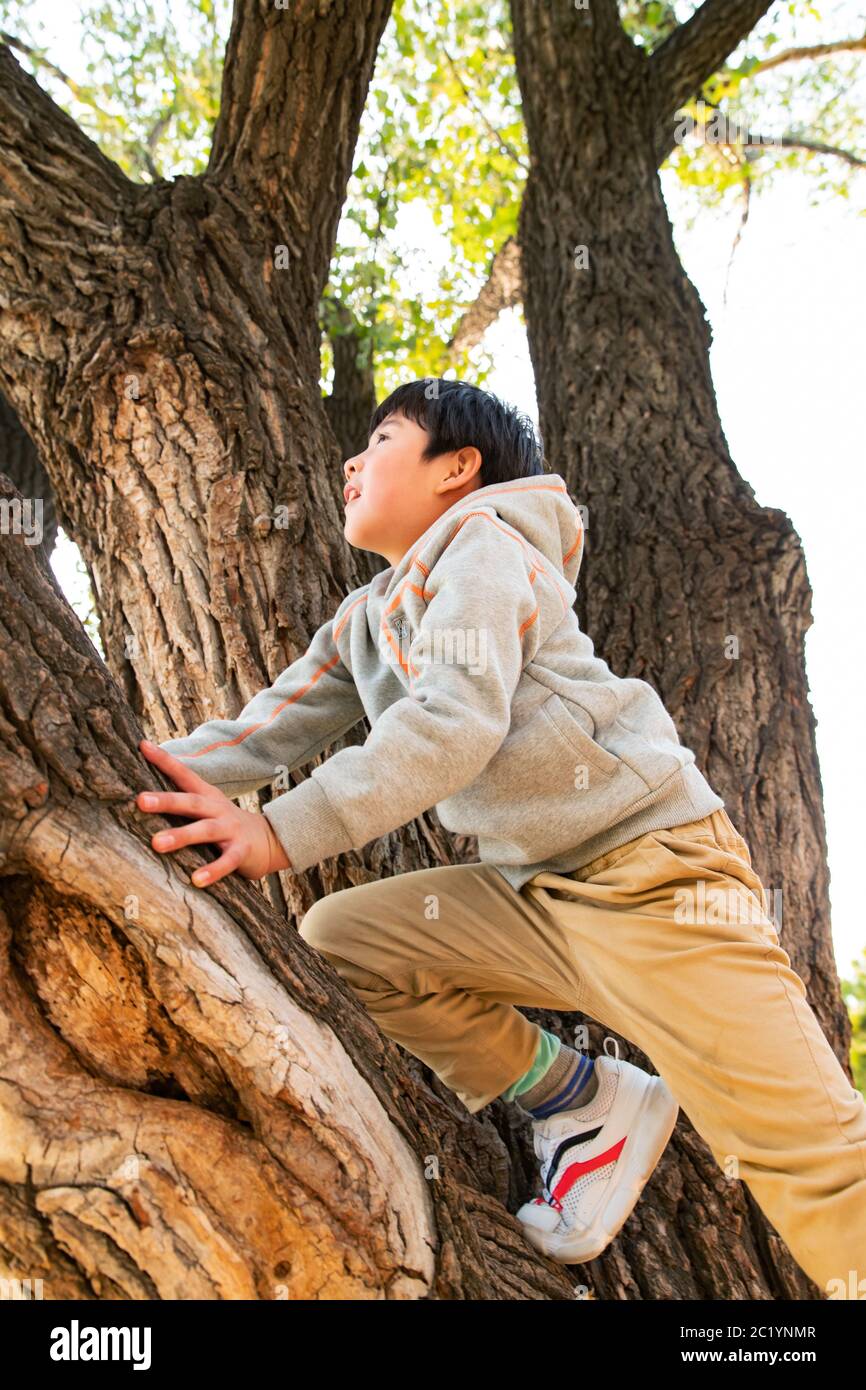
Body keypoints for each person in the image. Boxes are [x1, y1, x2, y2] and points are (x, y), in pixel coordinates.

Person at [138, 379, 866, 1286]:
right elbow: (262, 731)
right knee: (344, 939)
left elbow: (452, 724)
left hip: (658, 884)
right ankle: (581, 1099)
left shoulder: (484, 545)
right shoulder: (368, 616)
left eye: (382, 438)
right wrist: (132, 779)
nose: (351, 462)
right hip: (541, 899)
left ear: (458, 468)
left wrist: (278, 832)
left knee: (815, 1158)